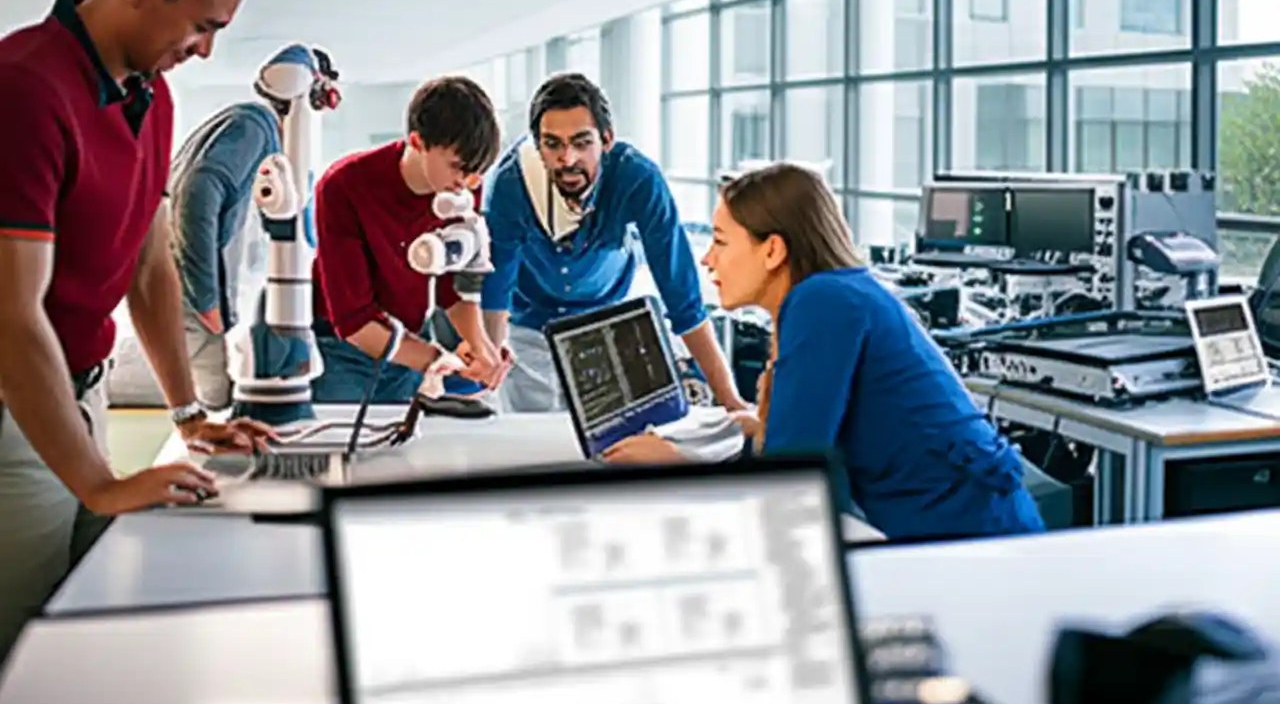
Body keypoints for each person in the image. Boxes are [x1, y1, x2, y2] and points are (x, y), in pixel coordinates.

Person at [0, 0, 276, 662]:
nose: (206, 49)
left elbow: (149, 268)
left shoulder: (150, 100)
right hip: (15, 401)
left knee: (88, 610)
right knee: (26, 650)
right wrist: (99, 482)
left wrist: (189, 414)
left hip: (78, 394)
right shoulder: (24, 87)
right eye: (203, 26)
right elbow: (11, 316)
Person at [602, 164, 1046, 541]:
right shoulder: (836, 293)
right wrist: (755, 427)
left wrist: (679, 464)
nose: (707, 261)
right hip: (964, 529)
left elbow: (792, 477)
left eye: (720, 241)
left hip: (973, 544)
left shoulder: (822, 303)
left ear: (773, 250)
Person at [480, 73, 745, 413]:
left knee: (611, 440)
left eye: (581, 142)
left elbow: (683, 297)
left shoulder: (637, 178)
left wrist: (730, 400)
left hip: (605, 321)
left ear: (606, 140)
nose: (567, 158)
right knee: (536, 441)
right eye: (553, 144)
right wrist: (485, 376)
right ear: (537, 145)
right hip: (528, 327)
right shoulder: (511, 183)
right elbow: (496, 289)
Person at [310, 75, 506, 403]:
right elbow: (354, 322)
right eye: (458, 168)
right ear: (417, 142)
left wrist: (481, 348)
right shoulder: (343, 186)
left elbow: (451, 286)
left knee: (406, 449)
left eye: (476, 173)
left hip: (411, 339)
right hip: (341, 350)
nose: (467, 183)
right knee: (347, 448)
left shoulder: (462, 185)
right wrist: (441, 361)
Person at [169, 44, 336, 410]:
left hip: (214, 299)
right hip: (198, 302)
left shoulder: (266, 139)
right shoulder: (252, 125)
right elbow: (197, 194)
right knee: (224, 408)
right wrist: (207, 300)